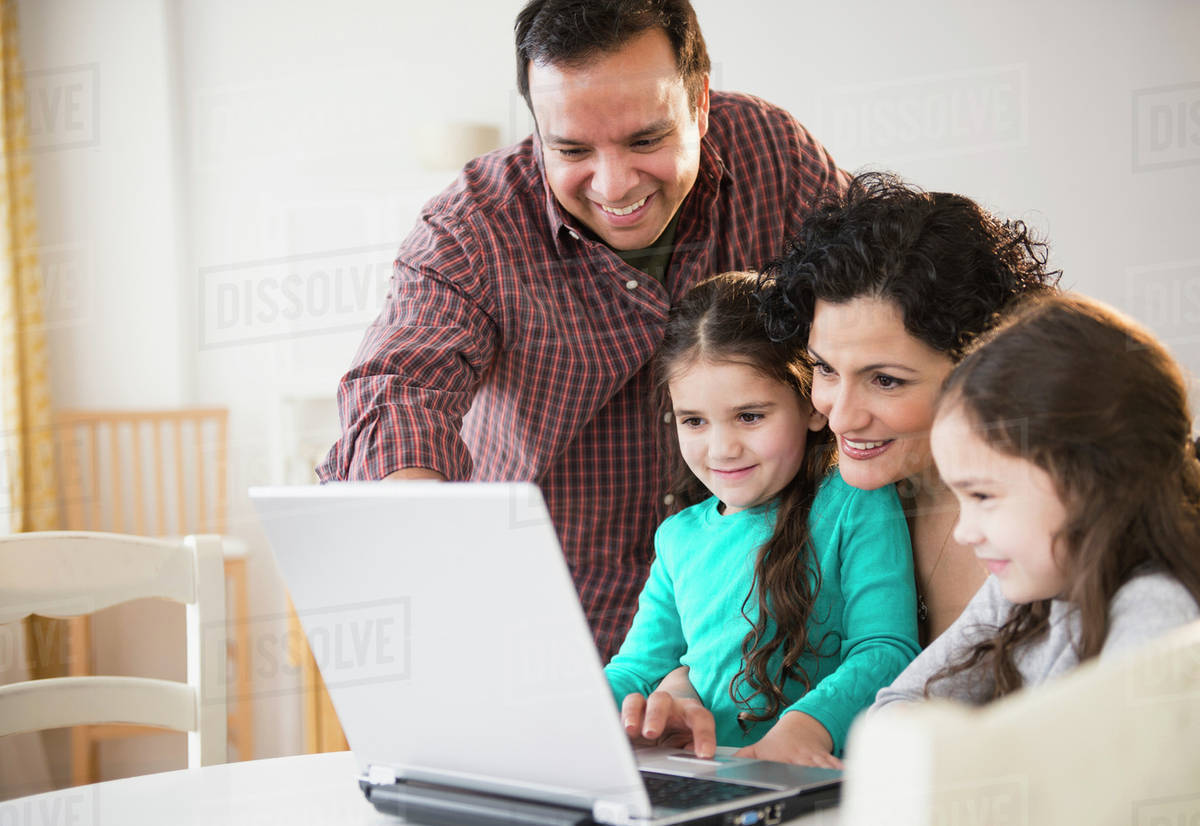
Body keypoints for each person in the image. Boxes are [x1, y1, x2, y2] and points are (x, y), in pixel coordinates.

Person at [315, 0, 847, 662]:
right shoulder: (472, 228)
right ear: (537, 128)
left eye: (646, 140)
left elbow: (874, 300)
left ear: (700, 102)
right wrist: (426, 543)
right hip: (553, 641)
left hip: (765, 636)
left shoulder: (776, 158)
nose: (614, 183)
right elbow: (397, 387)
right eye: (571, 149)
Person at [621, 171, 1060, 750]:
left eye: (885, 380)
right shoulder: (854, 491)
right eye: (825, 369)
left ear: (983, 371)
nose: (838, 415)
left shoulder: (1043, 529)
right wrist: (680, 685)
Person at [605, 272, 919, 767]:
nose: (722, 449)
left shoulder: (855, 502)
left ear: (811, 407)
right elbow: (638, 669)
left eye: (750, 416)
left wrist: (805, 730)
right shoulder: (678, 537)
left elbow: (886, 649)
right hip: (709, 776)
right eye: (694, 421)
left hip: (810, 777)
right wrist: (570, 716)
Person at [872, 293, 1200, 708]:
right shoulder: (1018, 589)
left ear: (1093, 481)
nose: (963, 532)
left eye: (983, 495)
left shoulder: (1157, 613)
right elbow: (898, 704)